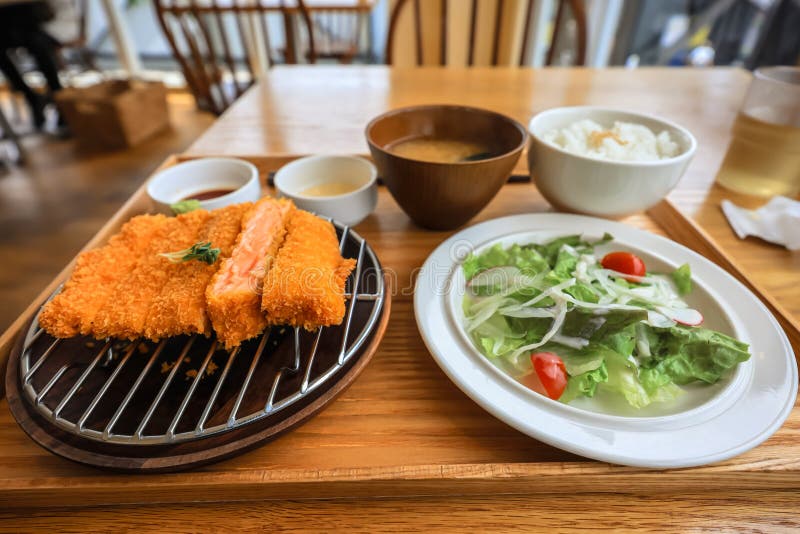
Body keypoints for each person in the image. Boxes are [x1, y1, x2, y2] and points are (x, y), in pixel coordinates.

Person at [0, 0, 63, 130]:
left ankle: (59, 100)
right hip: (4, 24)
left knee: (39, 44)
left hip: (30, 19)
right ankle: (31, 98)